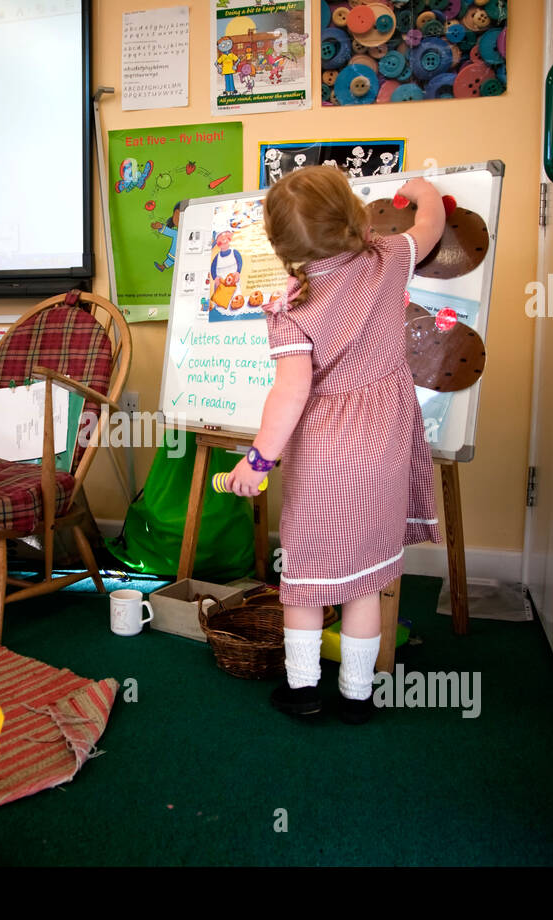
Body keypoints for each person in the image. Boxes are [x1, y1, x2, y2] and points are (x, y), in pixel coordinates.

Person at [225, 165, 446, 723]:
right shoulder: (390, 259)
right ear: (354, 214)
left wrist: (258, 460)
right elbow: (433, 224)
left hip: (325, 454)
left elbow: (289, 395)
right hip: (385, 445)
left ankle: (303, 692)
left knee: (303, 582)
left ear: (279, 245)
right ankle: (356, 695)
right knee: (364, 581)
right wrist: (420, 191)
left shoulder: (293, 310)